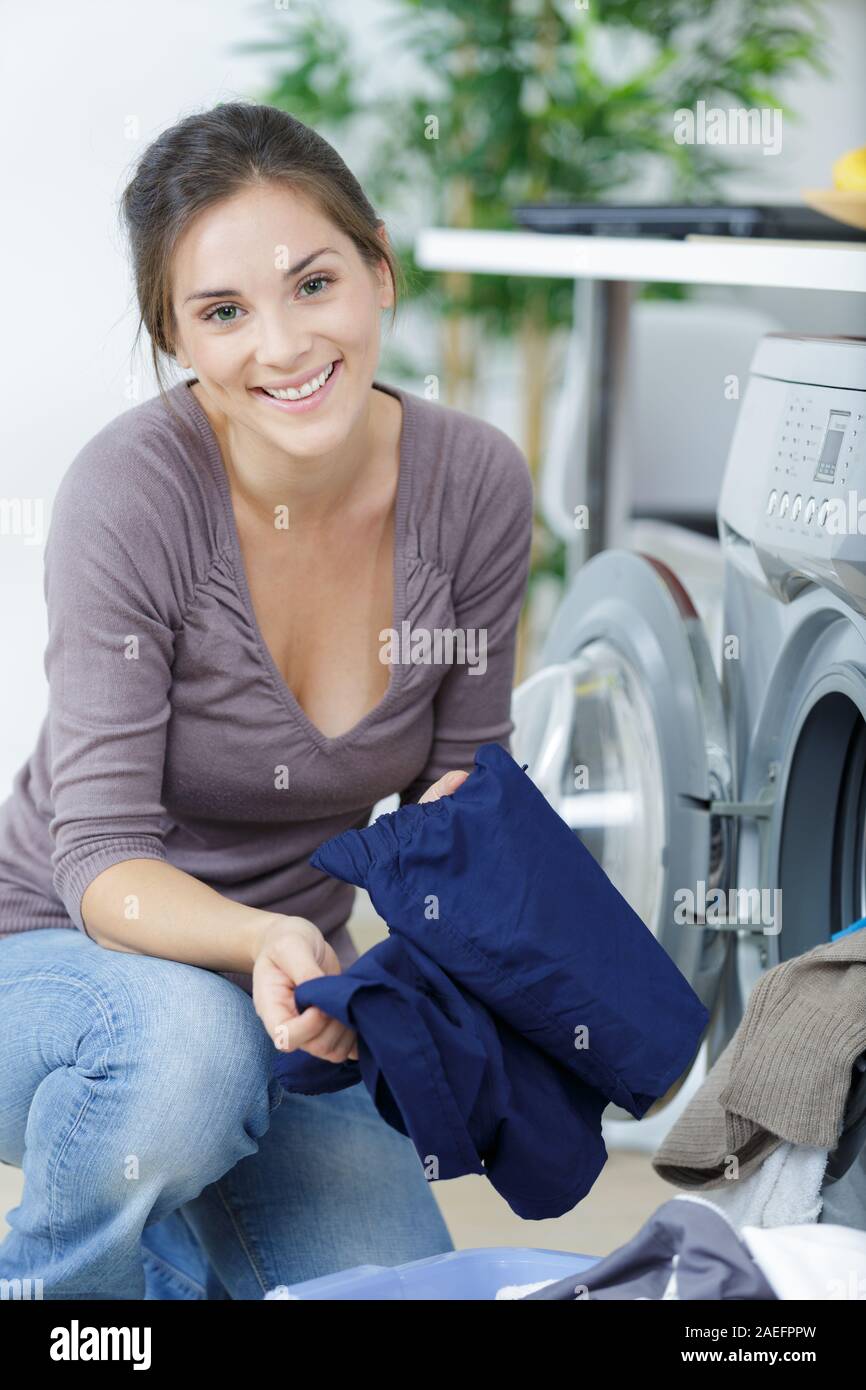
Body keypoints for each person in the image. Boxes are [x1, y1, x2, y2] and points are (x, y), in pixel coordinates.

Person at [0, 101, 535, 1299]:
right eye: (224, 311)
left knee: (384, 1293)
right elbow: (97, 856)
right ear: (177, 338)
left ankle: (170, 1257)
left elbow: (460, 782)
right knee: (185, 1058)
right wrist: (260, 940)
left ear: (380, 269)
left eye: (313, 282)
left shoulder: (474, 484)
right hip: (51, 954)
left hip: (289, 1000)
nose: (283, 346)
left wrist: (434, 979)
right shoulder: (131, 496)